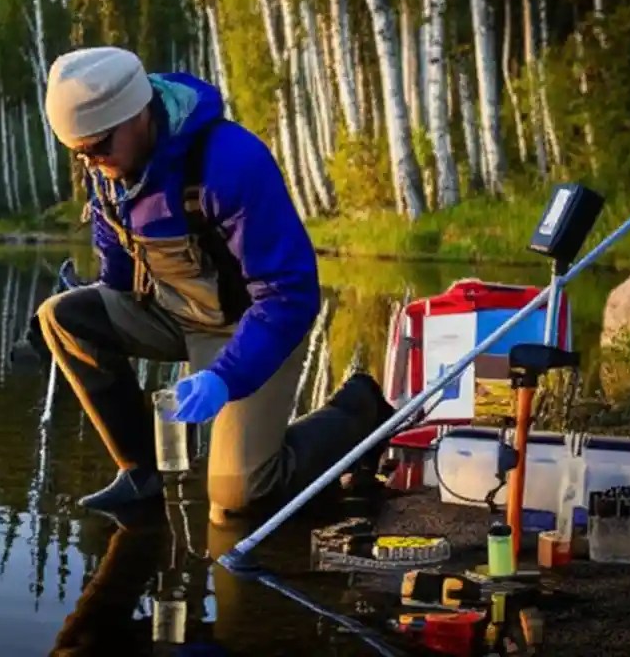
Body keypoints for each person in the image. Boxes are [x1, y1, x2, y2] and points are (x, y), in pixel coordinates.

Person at [32, 45, 395, 523]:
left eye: (100, 147)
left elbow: (290, 294)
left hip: (251, 324)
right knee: (59, 316)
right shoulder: (108, 168)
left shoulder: (229, 162)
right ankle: (142, 475)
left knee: (237, 495)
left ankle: (362, 409)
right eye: (81, 154)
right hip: (174, 311)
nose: (94, 163)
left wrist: (226, 378)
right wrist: (90, 311)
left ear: (140, 113)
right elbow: (117, 261)